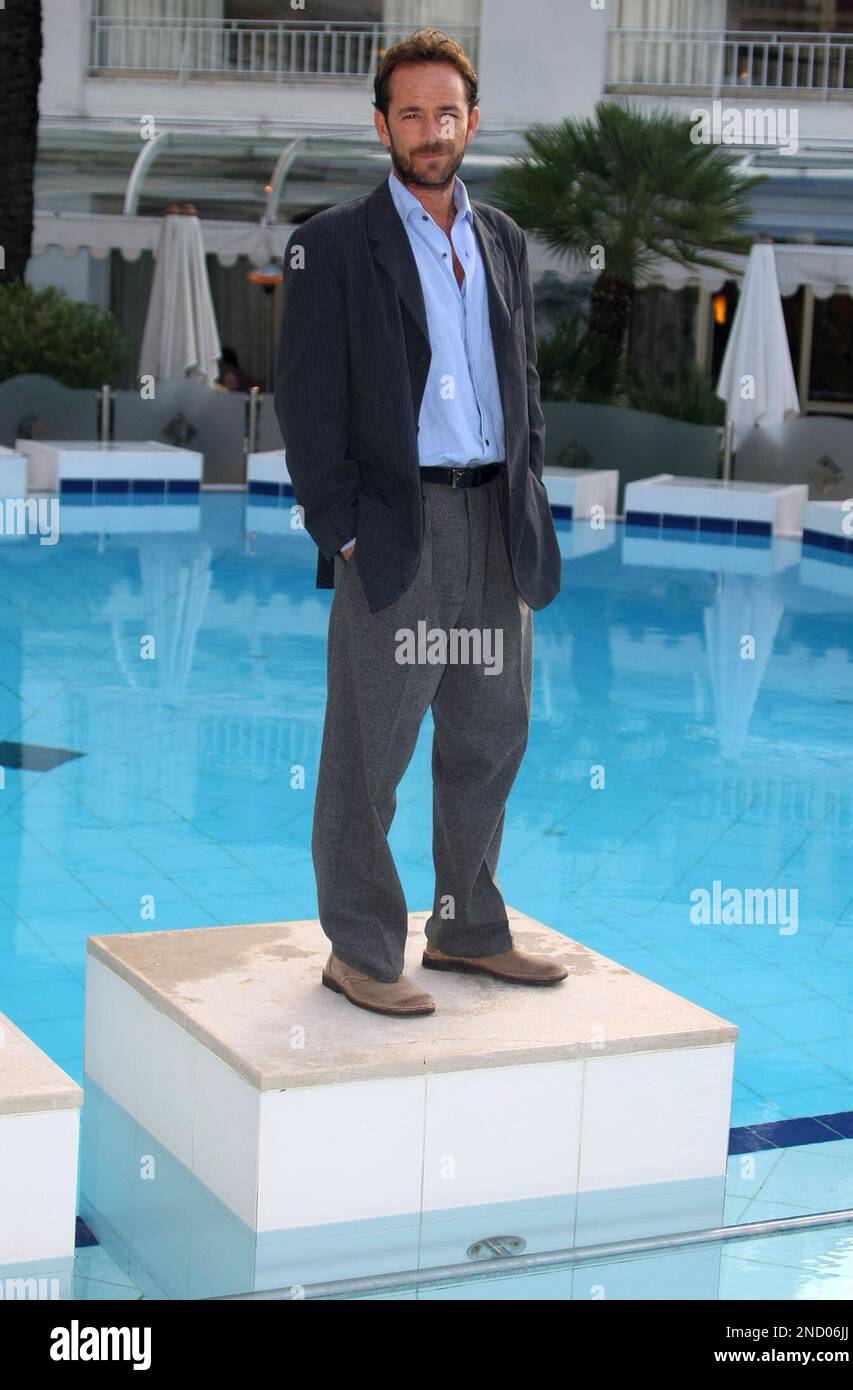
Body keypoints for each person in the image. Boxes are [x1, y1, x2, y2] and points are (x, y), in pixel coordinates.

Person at [274, 27, 564, 1017]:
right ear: (381, 124)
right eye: (411, 113)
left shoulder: (503, 242)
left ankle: (465, 927)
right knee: (370, 750)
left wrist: (528, 492)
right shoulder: (331, 244)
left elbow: (519, 381)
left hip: (495, 520)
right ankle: (356, 949)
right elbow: (306, 403)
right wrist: (342, 529)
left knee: (490, 731)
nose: (431, 130)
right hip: (399, 523)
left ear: (471, 122)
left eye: (447, 113)